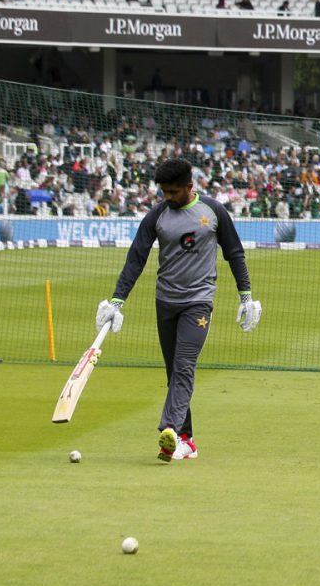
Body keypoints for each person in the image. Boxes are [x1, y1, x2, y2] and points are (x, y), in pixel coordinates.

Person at [97, 157, 260, 462]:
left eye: (173, 192)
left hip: (198, 301)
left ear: (189, 187)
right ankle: (187, 441)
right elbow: (136, 258)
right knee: (174, 373)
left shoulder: (213, 211)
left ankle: (169, 431)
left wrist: (245, 295)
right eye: (164, 192)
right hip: (165, 302)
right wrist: (117, 301)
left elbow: (234, 252)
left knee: (184, 365)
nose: (168, 197)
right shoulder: (156, 216)